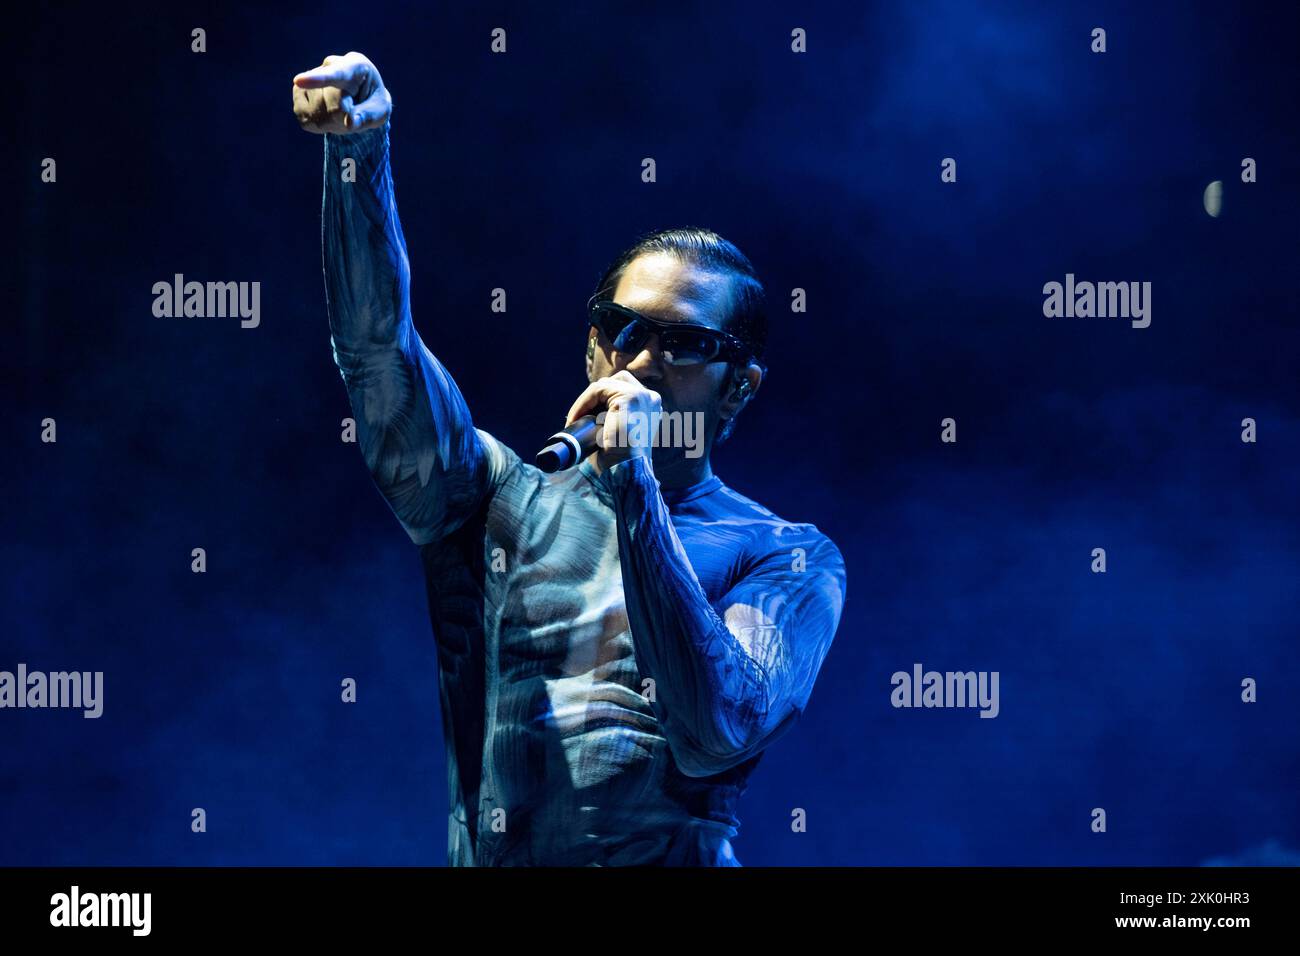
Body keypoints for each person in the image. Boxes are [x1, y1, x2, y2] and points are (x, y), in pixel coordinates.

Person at [293, 51, 847, 866]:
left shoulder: (788, 555)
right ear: (592, 348)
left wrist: (638, 495)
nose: (644, 361)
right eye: (623, 330)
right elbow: (379, 356)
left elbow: (714, 730)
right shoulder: (491, 500)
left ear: (739, 388)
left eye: (686, 343)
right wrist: (359, 156)